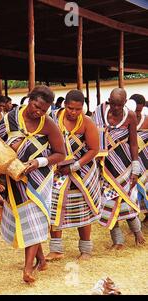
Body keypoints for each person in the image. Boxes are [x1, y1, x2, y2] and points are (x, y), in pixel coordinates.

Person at [0, 85, 66, 283]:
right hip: (13, 178)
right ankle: (41, 260)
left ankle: (28, 269)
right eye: (36, 106)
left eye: (43, 110)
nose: (38, 112)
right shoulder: (10, 118)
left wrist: (39, 162)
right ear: (29, 99)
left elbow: (60, 154)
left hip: (39, 179)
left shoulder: (48, 124)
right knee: (29, 220)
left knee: (35, 218)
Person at [47, 90, 101, 261]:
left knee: (83, 208)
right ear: (64, 105)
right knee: (54, 206)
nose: (74, 112)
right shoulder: (52, 119)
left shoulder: (87, 122)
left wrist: (75, 166)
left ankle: (85, 249)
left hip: (81, 171)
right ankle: (56, 249)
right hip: (56, 169)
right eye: (71, 108)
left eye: (78, 109)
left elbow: (94, 149)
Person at [92, 88, 145, 248]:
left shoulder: (130, 116)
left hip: (124, 165)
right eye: (113, 104)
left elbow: (134, 142)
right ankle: (118, 241)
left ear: (125, 102)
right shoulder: (99, 112)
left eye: (119, 105)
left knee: (125, 199)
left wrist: (136, 167)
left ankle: (137, 233)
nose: (115, 108)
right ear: (109, 100)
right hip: (104, 166)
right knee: (108, 202)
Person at [129, 94, 148, 224]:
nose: (137, 113)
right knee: (134, 191)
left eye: (139, 111)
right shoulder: (125, 121)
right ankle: (136, 217)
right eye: (135, 111)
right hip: (131, 161)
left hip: (146, 162)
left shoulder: (147, 120)